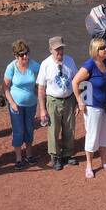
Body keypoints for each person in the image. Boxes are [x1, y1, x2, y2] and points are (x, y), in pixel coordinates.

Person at [73, 39, 106, 177]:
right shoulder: (89, 65)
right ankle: (89, 166)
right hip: (93, 106)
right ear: (95, 50)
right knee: (92, 136)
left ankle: (105, 162)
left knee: (105, 135)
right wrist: (80, 101)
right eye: (102, 48)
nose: (105, 49)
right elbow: (75, 82)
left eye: (105, 47)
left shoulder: (105, 62)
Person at [36, 37, 78, 170]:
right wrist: (42, 109)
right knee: (53, 129)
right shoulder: (45, 64)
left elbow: (76, 80)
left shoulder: (70, 61)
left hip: (69, 99)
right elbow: (41, 88)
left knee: (69, 128)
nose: (60, 51)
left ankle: (67, 154)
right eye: (57, 49)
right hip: (53, 100)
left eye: (61, 48)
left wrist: (77, 101)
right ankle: (55, 156)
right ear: (50, 50)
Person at [4, 40, 41, 169]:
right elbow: (5, 87)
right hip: (16, 105)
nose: (25, 56)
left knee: (29, 128)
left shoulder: (33, 65)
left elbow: (44, 72)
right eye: (21, 55)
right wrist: (12, 103)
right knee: (18, 130)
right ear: (16, 56)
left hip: (31, 104)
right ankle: (19, 158)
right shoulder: (11, 67)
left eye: (26, 53)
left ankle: (29, 155)